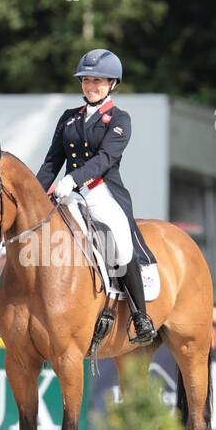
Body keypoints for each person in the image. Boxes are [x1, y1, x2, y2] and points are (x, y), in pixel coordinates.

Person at [34, 48, 156, 344]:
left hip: (102, 191)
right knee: (31, 234)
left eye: (98, 81)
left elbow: (105, 158)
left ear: (112, 84)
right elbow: (52, 162)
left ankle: (141, 316)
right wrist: (36, 196)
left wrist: (73, 179)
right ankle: (8, 310)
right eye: (87, 80)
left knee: (119, 242)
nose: (91, 86)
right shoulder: (68, 119)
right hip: (68, 193)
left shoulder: (119, 119)